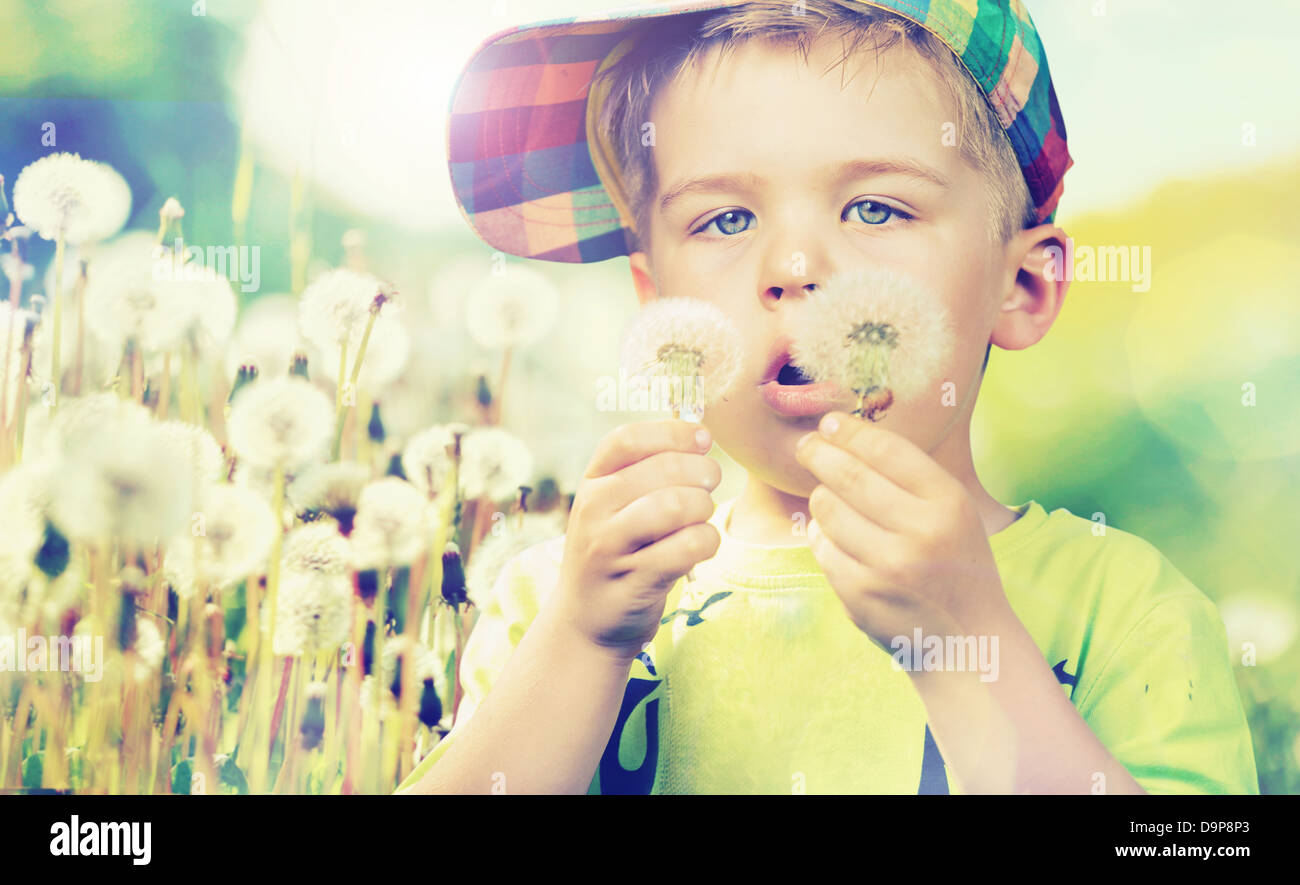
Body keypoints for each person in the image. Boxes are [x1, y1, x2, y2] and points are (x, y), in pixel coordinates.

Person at [396, 0, 1258, 794]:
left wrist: (967, 647)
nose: (794, 269)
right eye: (726, 220)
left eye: (877, 208)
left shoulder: (1124, 609)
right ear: (656, 298)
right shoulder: (559, 603)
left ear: (1022, 286)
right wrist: (584, 645)